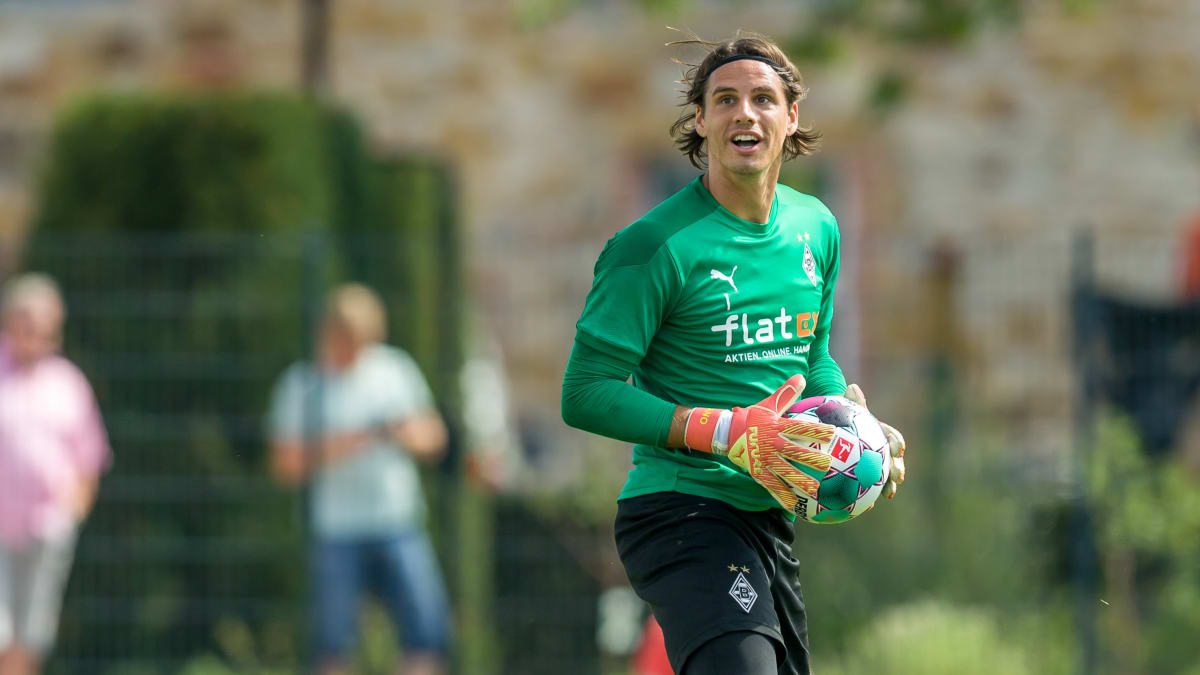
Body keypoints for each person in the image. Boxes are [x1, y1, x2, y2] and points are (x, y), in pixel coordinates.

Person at [561, 33, 907, 675]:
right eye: (725, 100)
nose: (744, 113)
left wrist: (852, 429)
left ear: (791, 117)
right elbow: (584, 392)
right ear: (701, 120)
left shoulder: (817, 226)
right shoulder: (653, 246)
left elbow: (812, 360)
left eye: (762, 99)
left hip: (768, 516)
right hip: (679, 510)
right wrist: (724, 430)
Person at [267, 283, 451, 675]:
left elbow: (435, 437)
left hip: (398, 522)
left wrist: (404, 433)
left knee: (425, 634)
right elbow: (285, 465)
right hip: (335, 530)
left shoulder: (395, 369)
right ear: (328, 334)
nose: (357, 351)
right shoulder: (302, 385)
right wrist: (358, 438)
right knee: (333, 645)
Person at [0, 273, 111, 675]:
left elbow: (90, 460)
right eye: (28, 321)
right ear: (9, 321)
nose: (37, 332)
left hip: (47, 532)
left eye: (46, 325)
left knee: (31, 636)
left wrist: (70, 515)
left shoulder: (69, 383)